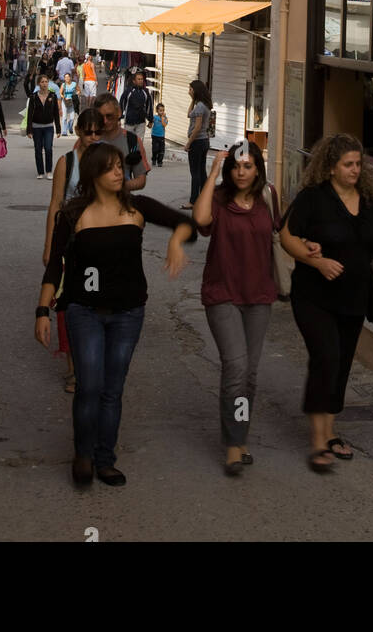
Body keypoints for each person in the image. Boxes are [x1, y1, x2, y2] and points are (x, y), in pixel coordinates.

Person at [36, 142, 197, 486]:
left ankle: (105, 458)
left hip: (128, 313)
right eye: (110, 168)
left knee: (113, 389)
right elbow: (55, 268)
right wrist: (41, 311)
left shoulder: (136, 207)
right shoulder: (73, 214)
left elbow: (187, 224)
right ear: (94, 174)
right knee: (89, 385)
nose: (119, 172)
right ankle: (83, 454)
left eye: (120, 167)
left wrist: (175, 242)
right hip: (84, 311)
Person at [279, 133, 373, 473]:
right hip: (314, 296)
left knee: (342, 363)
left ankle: (330, 431)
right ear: (331, 167)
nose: (354, 169)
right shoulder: (313, 199)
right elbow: (286, 234)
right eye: (348, 164)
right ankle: (318, 441)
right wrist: (315, 261)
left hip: (353, 298)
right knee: (326, 356)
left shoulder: (368, 201)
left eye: (358, 164)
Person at [192, 141, 278, 475]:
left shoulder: (268, 197)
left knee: (250, 374)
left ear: (258, 169)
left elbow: (281, 236)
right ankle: (231, 444)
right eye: (236, 166)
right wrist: (213, 172)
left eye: (248, 166)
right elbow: (200, 220)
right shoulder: (219, 198)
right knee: (236, 367)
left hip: (258, 296)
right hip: (222, 293)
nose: (241, 172)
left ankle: (240, 436)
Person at [43, 108, 103, 393]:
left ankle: (92, 361)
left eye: (97, 132)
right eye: (87, 131)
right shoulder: (66, 163)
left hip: (100, 246)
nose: (92, 137)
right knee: (68, 307)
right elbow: (55, 205)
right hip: (70, 246)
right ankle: (72, 368)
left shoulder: (107, 163)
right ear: (78, 131)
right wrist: (49, 247)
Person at [94, 93, 150, 191]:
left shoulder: (132, 140)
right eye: (100, 117)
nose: (105, 121)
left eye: (109, 116)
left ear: (119, 112)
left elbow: (141, 180)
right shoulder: (89, 139)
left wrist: (117, 187)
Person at [183, 80, 212, 210]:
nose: (188, 91)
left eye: (190, 89)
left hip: (198, 142)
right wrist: (192, 100)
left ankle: (193, 201)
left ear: (195, 90)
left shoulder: (200, 106)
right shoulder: (202, 105)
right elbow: (189, 114)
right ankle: (205, 198)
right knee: (201, 171)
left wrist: (189, 143)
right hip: (204, 141)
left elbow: (198, 127)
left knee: (195, 172)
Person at [26, 74, 61, 179]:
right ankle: (40, 172)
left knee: (48, 148)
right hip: (36, 127)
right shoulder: (33, 97)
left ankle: (49, 171)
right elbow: (30, 113)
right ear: (38, 84)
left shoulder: (53, 96)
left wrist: (58, 129)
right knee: (38, 149)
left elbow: (56, 113)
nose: (44, 84)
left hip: (48, 127)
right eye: (42, 82)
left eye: (46, 82)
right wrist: (29, 130)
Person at [120, 69, 153, 142]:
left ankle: (138, 153)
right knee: (128, 142)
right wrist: (119, 118)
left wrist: (150, 120)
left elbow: (149, 106)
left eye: (142, 79)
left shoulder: (146, 92)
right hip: (129, 122)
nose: (141, 81)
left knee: (139, 143)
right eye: (139, 79)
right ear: (134, 81)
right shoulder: (128, 92)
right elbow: (122, 104)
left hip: (141, 122)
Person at [60, 71, 78, 135]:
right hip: (65, 102)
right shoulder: (63, 85)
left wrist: (76, 94)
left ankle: (70, 127)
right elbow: (60, 93)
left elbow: (78, 91)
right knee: (64, 117)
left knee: (72, 118)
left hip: (72, 101)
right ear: (64, 78)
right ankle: (64, 131)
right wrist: (64, 97)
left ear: (70, 77)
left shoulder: (74, 84)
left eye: (68, 77)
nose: (67, 78)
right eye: (65, 77)